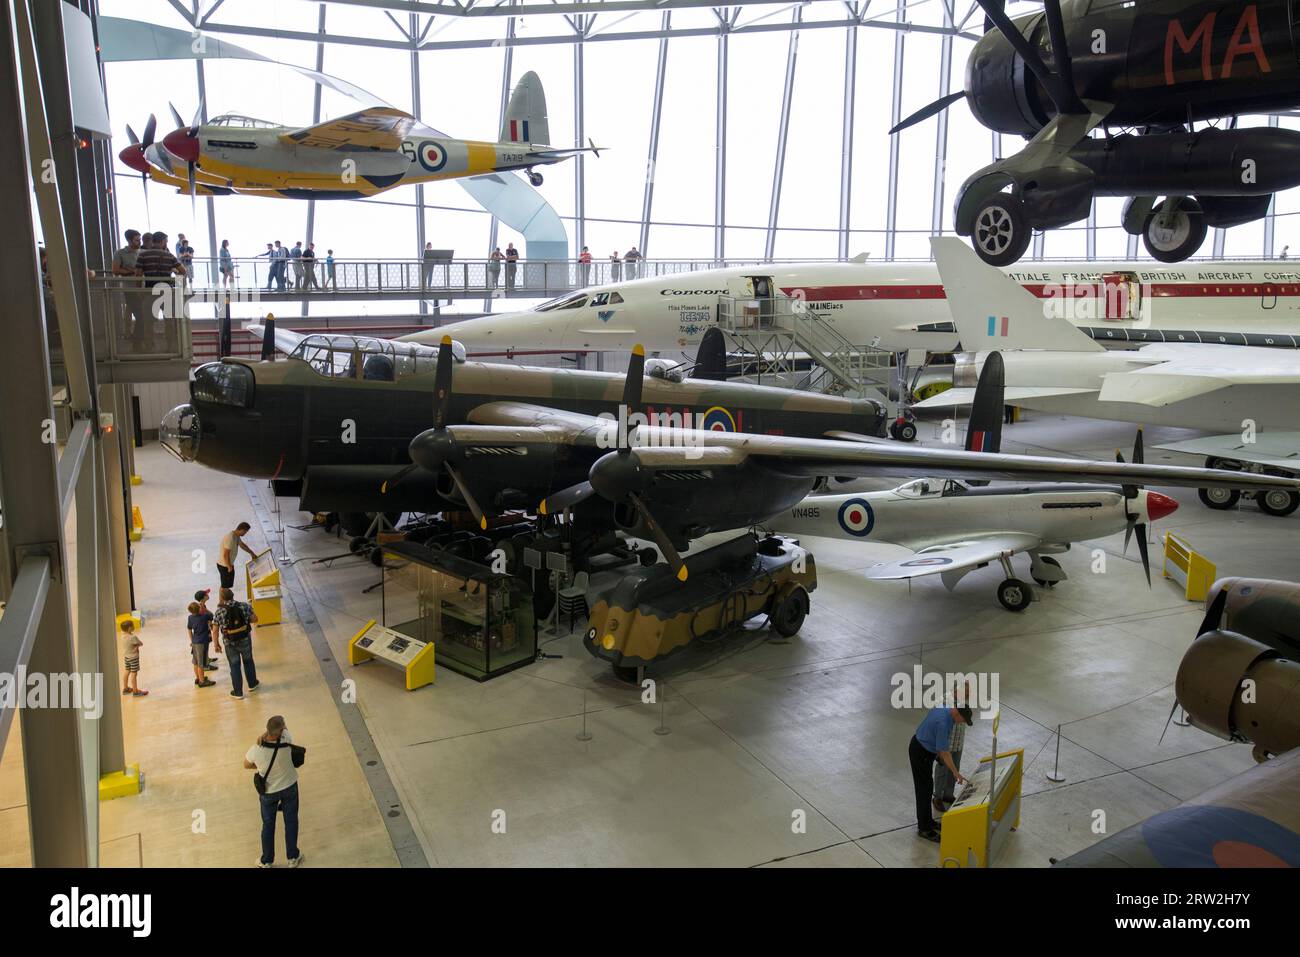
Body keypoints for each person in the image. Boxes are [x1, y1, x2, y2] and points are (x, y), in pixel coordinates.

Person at [243, 715, 303, 868]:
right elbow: (286, 731)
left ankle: (267, 860)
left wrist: (261, 766)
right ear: (281, 731)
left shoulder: (257, 749)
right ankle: (293, 857)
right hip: (290, 786)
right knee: (291, 821)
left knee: (268, 825)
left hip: (269, 791)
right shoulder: (287, 739)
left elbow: (246, 764)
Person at [908, 703, 971, 842]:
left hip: (923, 747)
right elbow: (945, 752)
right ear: (958, 714)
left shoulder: (945, 708)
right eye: (963, 720)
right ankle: (924, 829)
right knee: (924, 790)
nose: (962, 723)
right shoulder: (944, 723)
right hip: (921, 753)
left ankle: (928, 821)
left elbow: (932, 731)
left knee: (927, 787)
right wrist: (956, 773)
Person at [933, 684, 972, 817]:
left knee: (955, 769)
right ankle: (937, 796)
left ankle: (948, 794)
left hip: (958, 742)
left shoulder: (962, 702)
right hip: (946, 742)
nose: (968, 695)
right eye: (966, 692)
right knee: (942, 770)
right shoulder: (944, 700)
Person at [215, 587, 259, 700]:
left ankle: (238, 692)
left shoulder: (219, 611)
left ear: (222, 598)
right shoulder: (244, 606)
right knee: (248, 661)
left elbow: (215, 629)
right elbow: (255, 619)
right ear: (233, 595)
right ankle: (252, 684)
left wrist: (216, 644)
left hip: (229, 641)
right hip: (244, 638)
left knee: (234, 666)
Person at [217, 521, 257, 590]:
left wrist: (251, 552)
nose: (245, 534)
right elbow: (225, 555)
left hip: (228, 564)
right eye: (245, 532)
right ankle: (222, 601)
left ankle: (225, 599)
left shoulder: (236, 536)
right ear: (241, 530)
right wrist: (229, 566)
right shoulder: (231, 538)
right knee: (224, 587)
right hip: (224, 565)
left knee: (227, 586)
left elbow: (242, 545)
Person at [187, 600, 218, 688]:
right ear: (199, 609)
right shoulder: (204, 616)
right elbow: (212, 615)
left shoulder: (190, 617)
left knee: (195, 662)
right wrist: (204, 608)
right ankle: (202, 681)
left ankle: (198, 678)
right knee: (201, 663)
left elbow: (189, 629)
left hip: (195, 642)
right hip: (202, 642)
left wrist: (192, 640)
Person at [120, 619, 147, 698]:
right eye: (132, 626)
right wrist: (137, 646)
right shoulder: (133, 637)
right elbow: (141, 643)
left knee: (127, 671)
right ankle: (135, 691)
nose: (134, 627)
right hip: (133, 658)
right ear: (129, 628)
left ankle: (125, 688)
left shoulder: (123, 635)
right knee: (134, 673)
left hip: (127, 657)